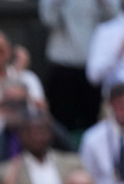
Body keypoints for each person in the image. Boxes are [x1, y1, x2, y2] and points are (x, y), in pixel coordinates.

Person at [40, 0, 115, 131]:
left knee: (93, 125)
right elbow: (48, 18)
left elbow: (114, 17)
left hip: (93, 68)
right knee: (60, 126)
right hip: (62, 66)